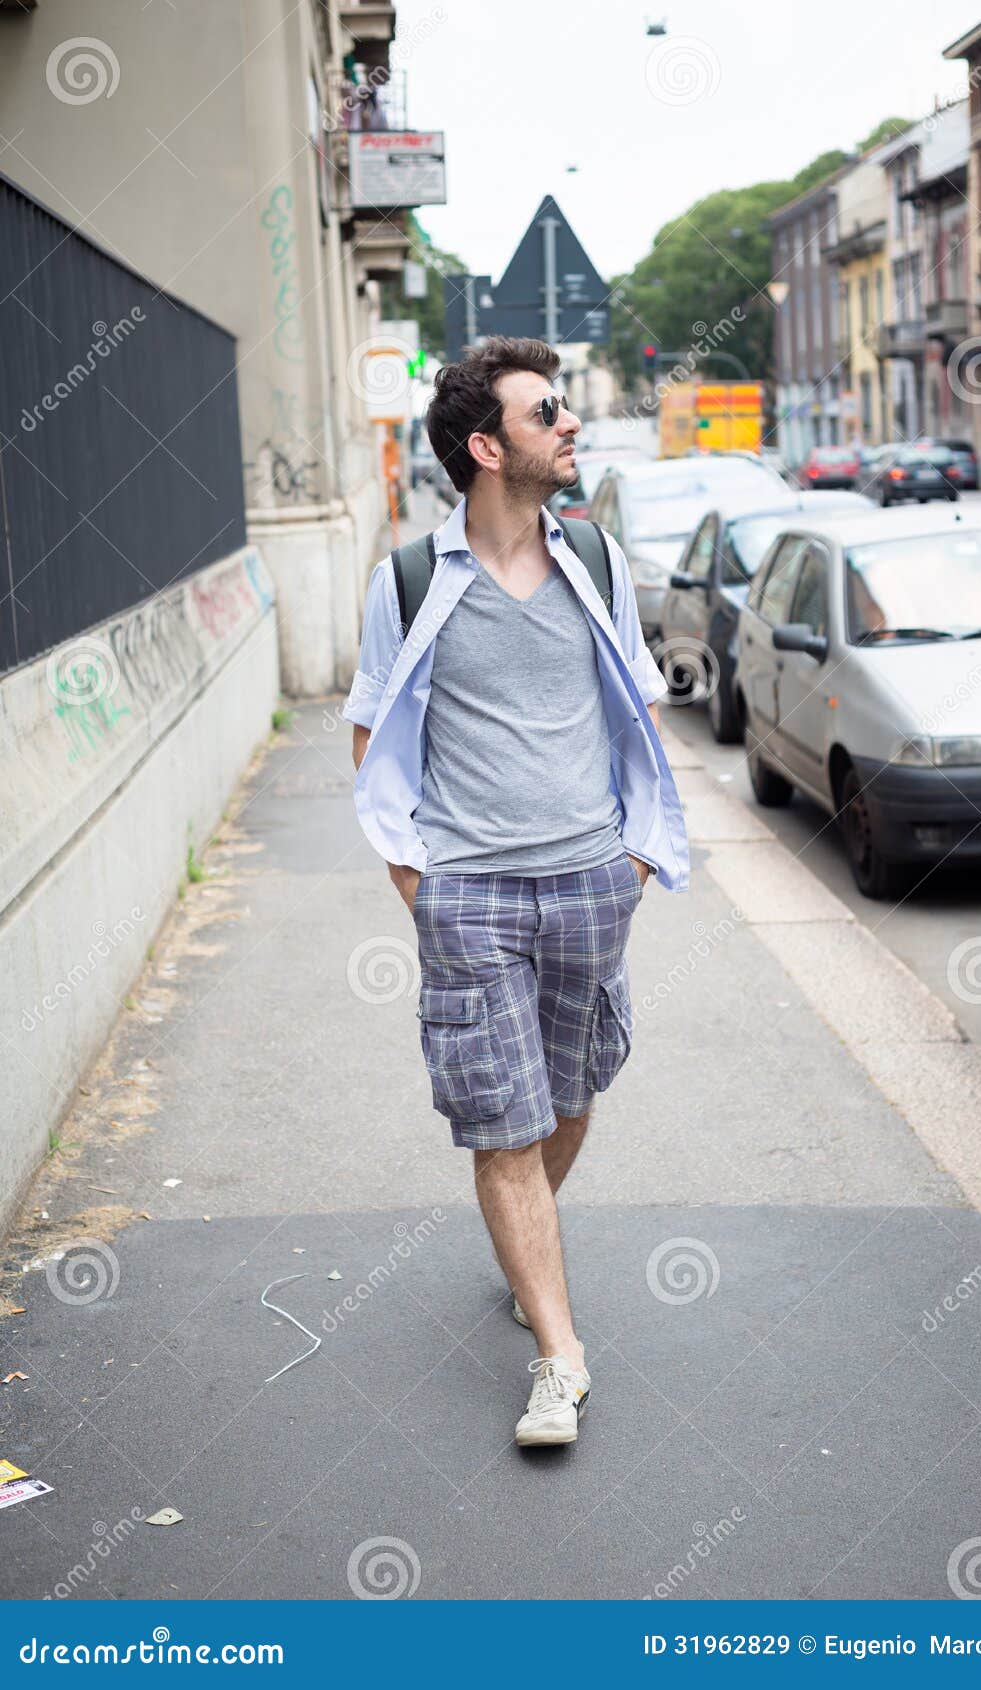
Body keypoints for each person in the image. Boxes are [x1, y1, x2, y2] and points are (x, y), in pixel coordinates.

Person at [343, 336, 688, 1447]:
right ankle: (560, 1356)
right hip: (470, 897)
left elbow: (638, 703)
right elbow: (370, 728)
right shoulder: (410, 581)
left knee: (569, 1097)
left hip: (592, 881)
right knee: (504, 1125)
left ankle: (523, 1246)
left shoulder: (594, 557)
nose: (570, 423)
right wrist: (419, 885)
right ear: (488, 447)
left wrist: (632, 863)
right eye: (548, 412)